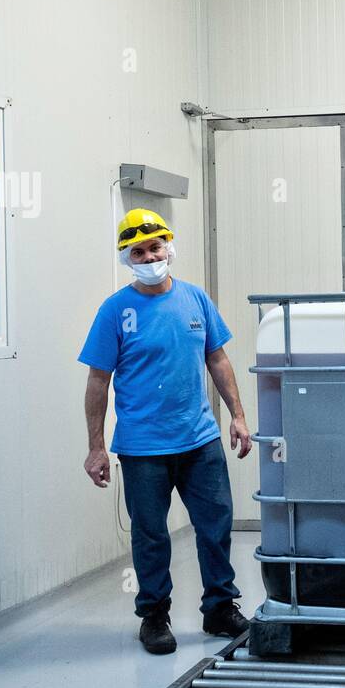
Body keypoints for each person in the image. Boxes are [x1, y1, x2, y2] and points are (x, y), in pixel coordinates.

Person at [79, 208, 253, 654]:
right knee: (151, 535)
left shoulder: (195, 299)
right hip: (142, 449)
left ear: (169, 248)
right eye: (138, 250)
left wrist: (236, 415)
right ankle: (154, 616)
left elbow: (218, 358)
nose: (149, 255)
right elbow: (98, 380)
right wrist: (96, 447)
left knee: (215, 525)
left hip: (199, 439)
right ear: (127, 258)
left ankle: (219, 607)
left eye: (155, 246)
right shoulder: (116, 310)